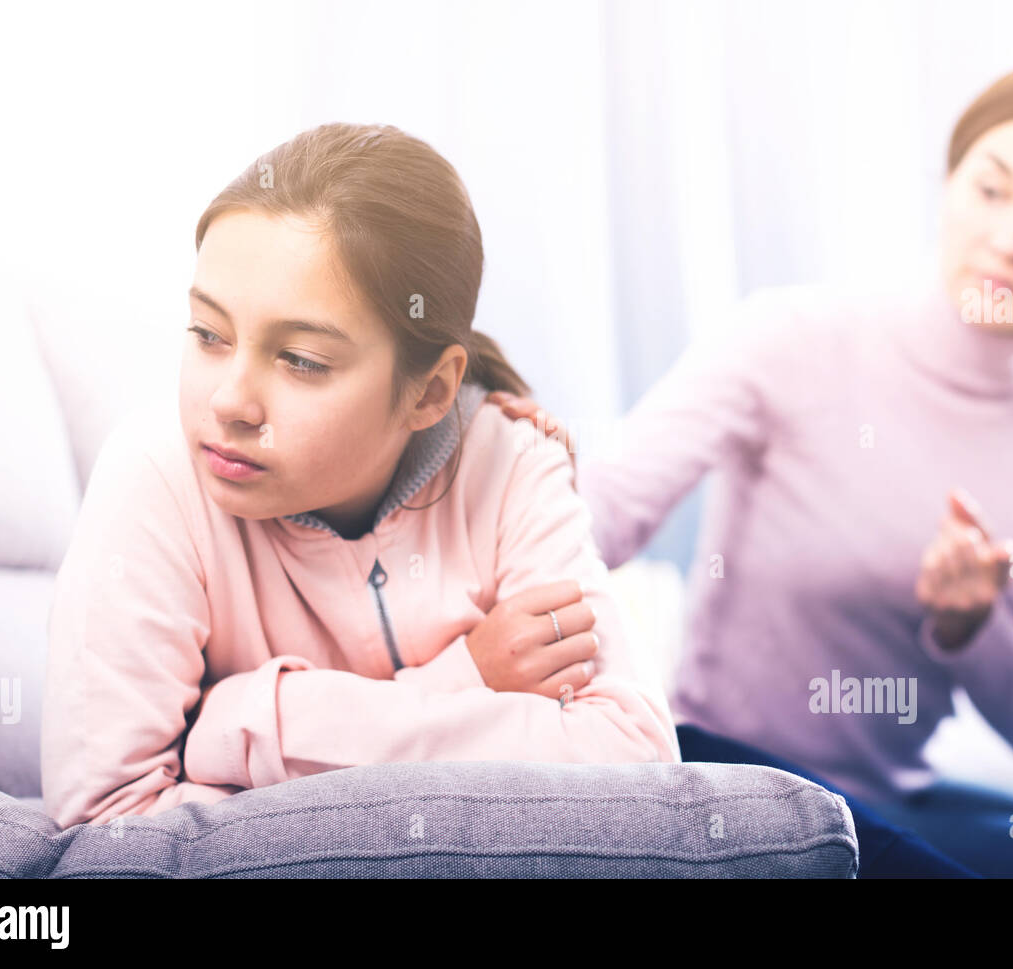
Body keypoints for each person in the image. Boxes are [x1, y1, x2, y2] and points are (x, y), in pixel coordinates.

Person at [489, 56, 1013, 877]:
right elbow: (604, 513)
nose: (1011, 240)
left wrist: (974, 629)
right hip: (736, 777)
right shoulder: (791, 339)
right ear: (950, 183)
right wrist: (494, 477)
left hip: (901, 790)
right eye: (991, 189)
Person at [41, 122, 680, 829]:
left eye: (302, 361)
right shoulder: (154, 479)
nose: (229, 402)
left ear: (430, 392)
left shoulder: (512, 460)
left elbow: (639, 763)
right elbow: (107, 825)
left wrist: (245, 726)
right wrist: (464, 681)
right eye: (208, 334)